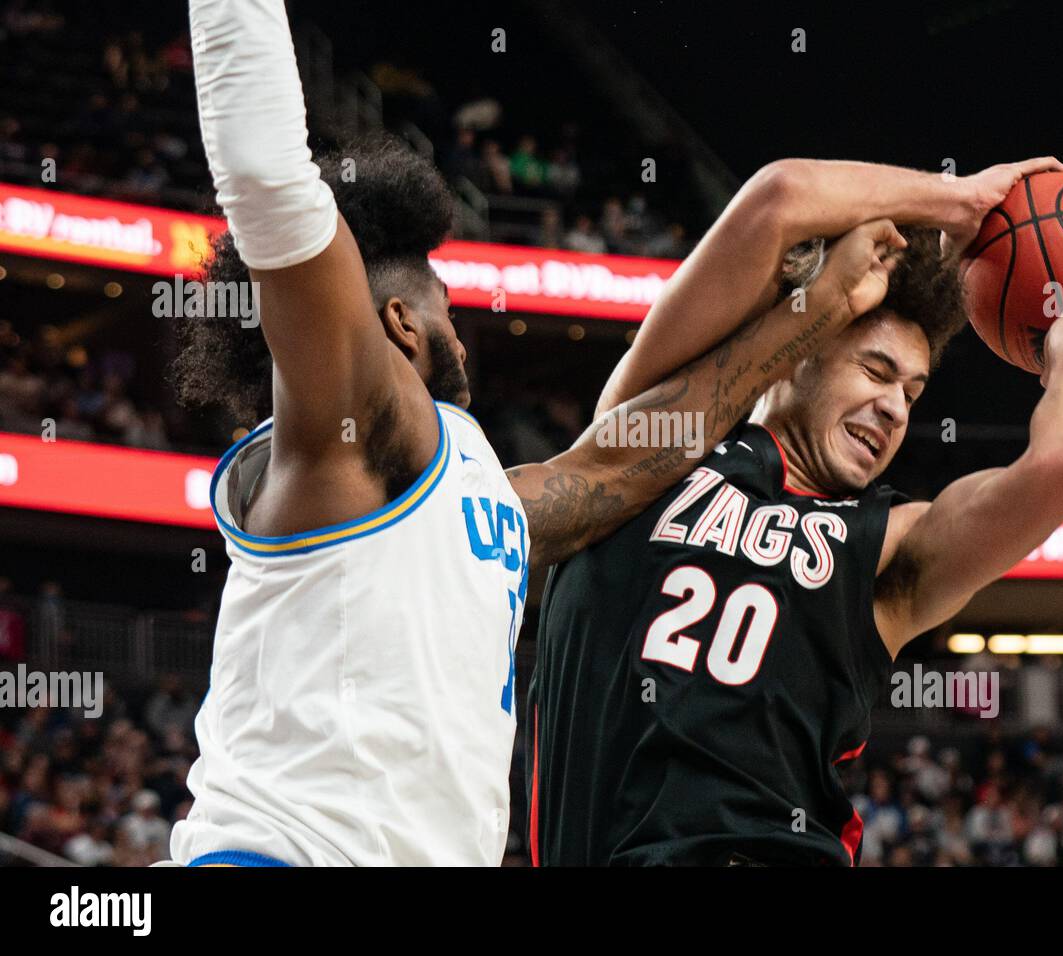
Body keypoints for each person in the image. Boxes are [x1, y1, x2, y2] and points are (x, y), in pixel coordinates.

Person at [170, 0, 900, 867]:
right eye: (446, 302)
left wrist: (818, 311)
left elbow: (637, 459)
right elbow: (266, 177)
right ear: (399, 325)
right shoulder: (354, 428)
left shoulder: (473, 496)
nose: (462, 326)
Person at [528, 157, 1063, 865]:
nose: (895, 406)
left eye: (914, 393)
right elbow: (779, 198)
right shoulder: (651, 442)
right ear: (801, 351)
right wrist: (954, 200)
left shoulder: (888, 547)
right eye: (876, 371)